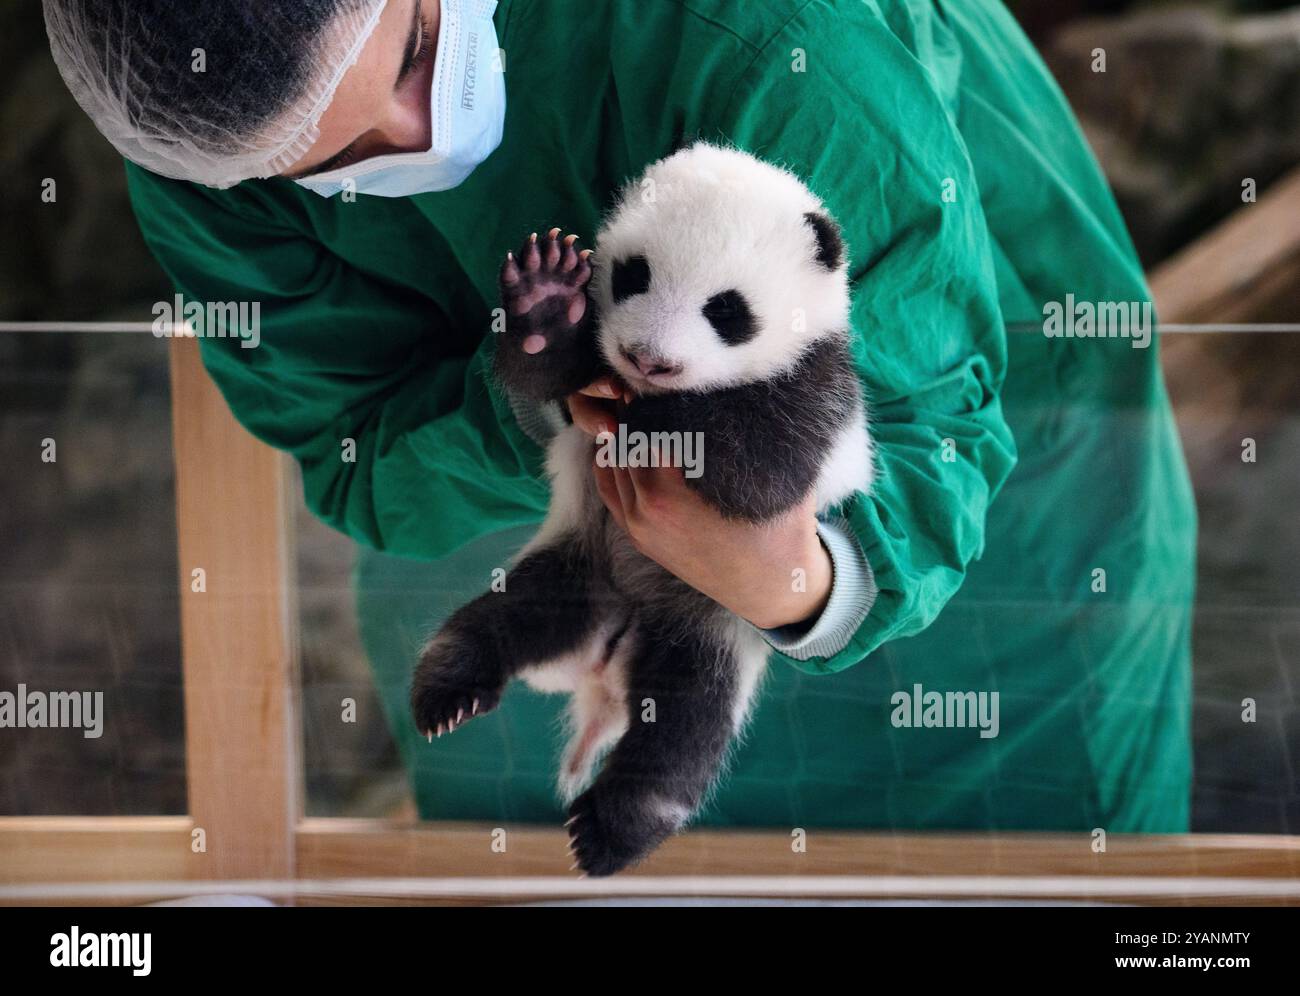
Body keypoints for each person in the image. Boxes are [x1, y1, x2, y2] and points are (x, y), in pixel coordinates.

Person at [46, 0, 1196, 832]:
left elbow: (927, 426)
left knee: (1017, 833)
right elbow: (358, 455)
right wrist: (531, 403)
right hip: (510, 533)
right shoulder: (202, 150)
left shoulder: (767, 38)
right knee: (555, 797)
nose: (412, 141)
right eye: (337, 164)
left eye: (413, 57)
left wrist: (801, 579)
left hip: (969, 497)